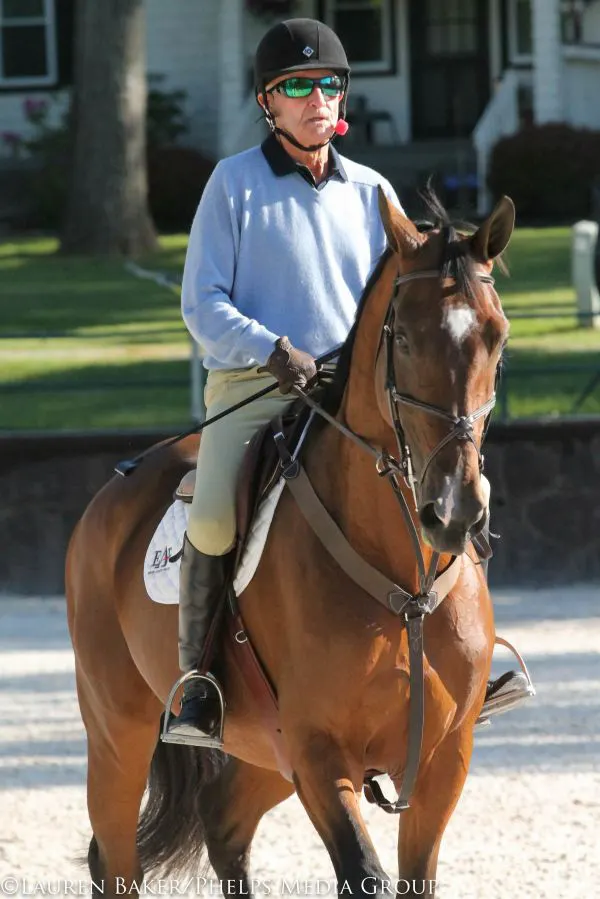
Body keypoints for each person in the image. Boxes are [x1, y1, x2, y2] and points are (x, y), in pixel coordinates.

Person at [163, 18, 533, 748]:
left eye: (327, 84)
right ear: (267, 102)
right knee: (212, 515)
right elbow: (201, 304)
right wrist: (273, 349)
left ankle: (476, 655)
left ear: (342, 97)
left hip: (356, 390)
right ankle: (199, 682)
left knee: (460, 484)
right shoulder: (232, 184)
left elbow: (411, 300)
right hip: (256, 385)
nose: (315, 98)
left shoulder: (373, 190)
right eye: (296, 86)